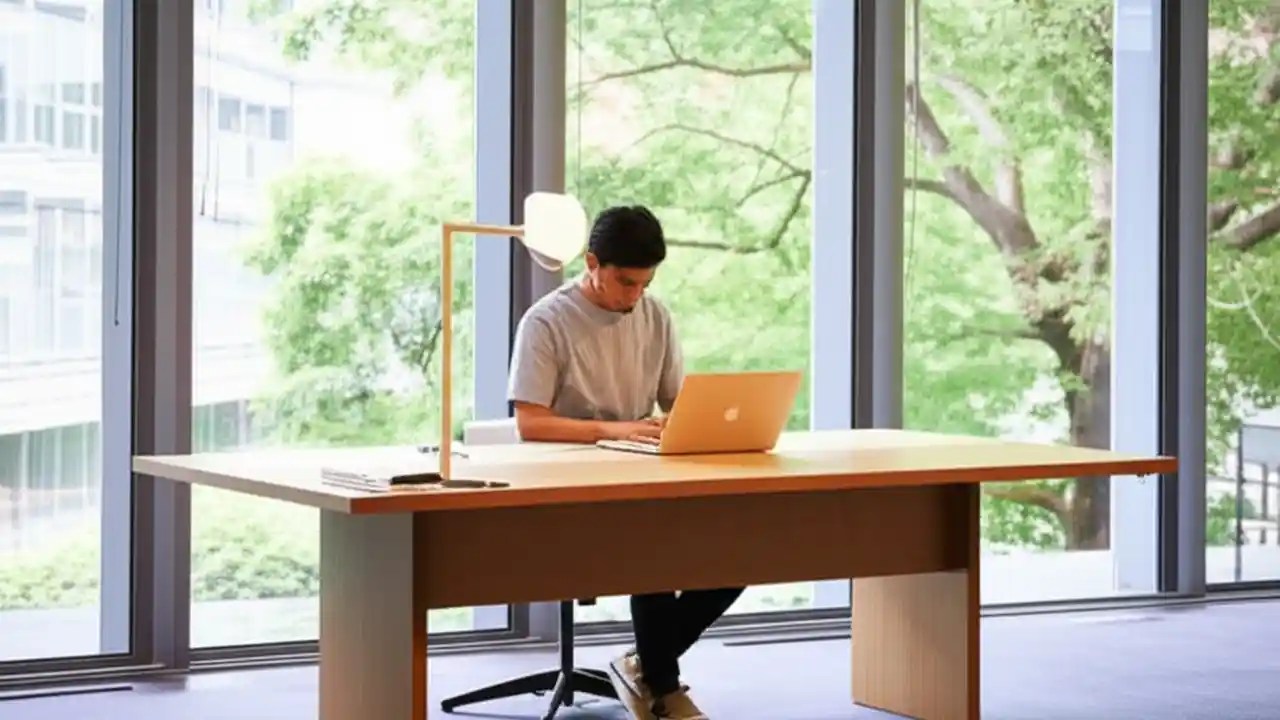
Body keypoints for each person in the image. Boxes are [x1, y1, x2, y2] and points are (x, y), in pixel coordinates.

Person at [506, 205, 741, 720]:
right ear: (592, 263)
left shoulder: (655, 316)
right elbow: (531, 423)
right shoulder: (546, 321)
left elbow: (677, 404)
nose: (634, 296)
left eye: (645, 284)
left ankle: (645, 664)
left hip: (644, 476)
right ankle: (663, 688)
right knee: (652, 550)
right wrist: (617, 429)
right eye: (625, 283)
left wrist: (703, 426)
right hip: (571, 487)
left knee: (740, 551)